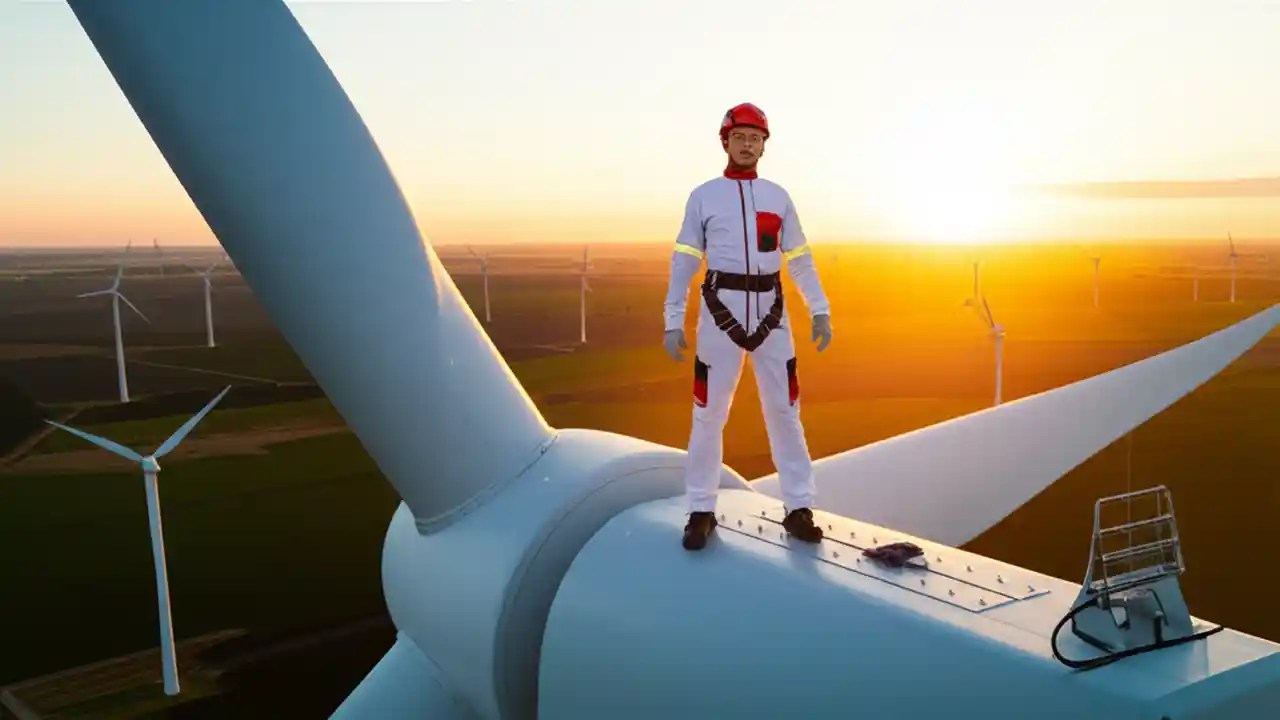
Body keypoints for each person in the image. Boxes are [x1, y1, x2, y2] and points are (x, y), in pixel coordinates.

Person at [662, 102, 833, 551]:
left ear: (763, 145)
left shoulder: (779, 197)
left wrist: (819, 307)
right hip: (720, 314)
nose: (747, 145)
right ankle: (700, 510)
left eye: (755, 138)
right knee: (707, 416)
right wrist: (672, 318)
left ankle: (799, 507)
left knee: (785, 412)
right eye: (739, 137)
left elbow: (799, 257)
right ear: (726, 141)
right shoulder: (704, 196)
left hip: (773, 316)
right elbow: (684, 259)